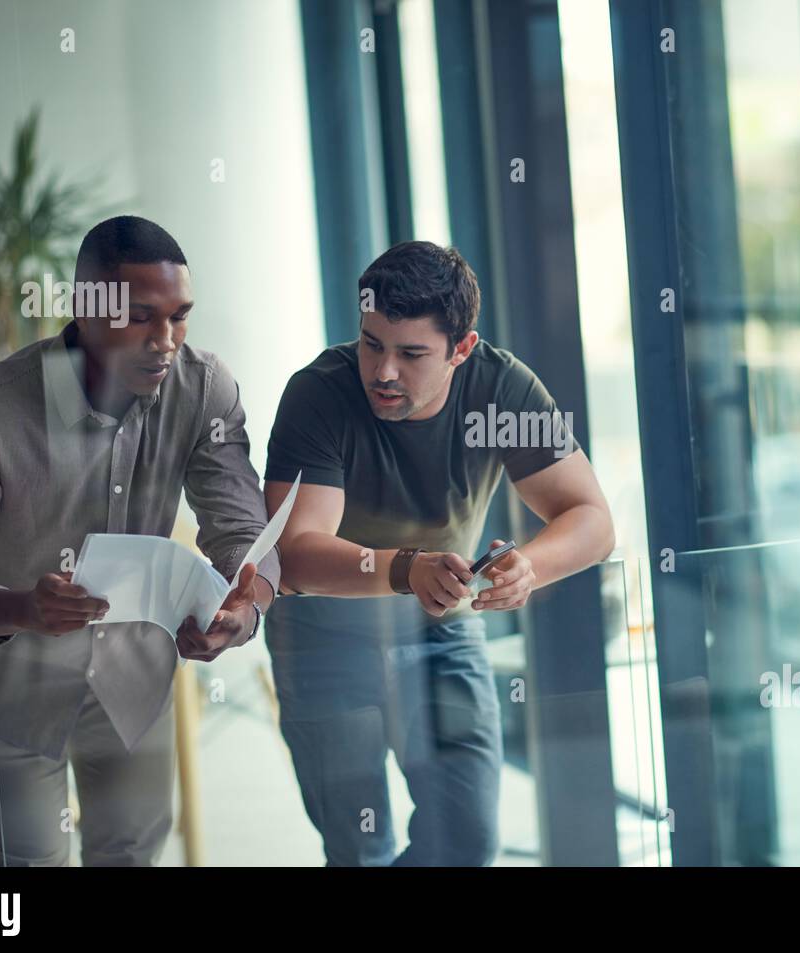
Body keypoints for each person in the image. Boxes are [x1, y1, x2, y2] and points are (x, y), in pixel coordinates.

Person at [0, 215, 279, 866]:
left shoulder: (204, 388)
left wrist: (242, 610)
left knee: (131, 857)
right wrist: (25, 607)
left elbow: (243, 528)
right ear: (83, 308)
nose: (164, 341)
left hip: (134, 682)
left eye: (180, 317)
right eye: (141, 317)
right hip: (13, 689)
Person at [263, 240, 615, 865]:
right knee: (358, 848)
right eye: (372, 343)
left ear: (462, 348)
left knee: (468, 841)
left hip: (441, 630)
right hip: (324, 634)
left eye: (411, 353)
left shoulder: (502, 389)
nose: (383, 371)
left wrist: (529, 567)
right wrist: (405, 569)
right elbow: (294, 554)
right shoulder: (318, 394)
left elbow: (591, 520)